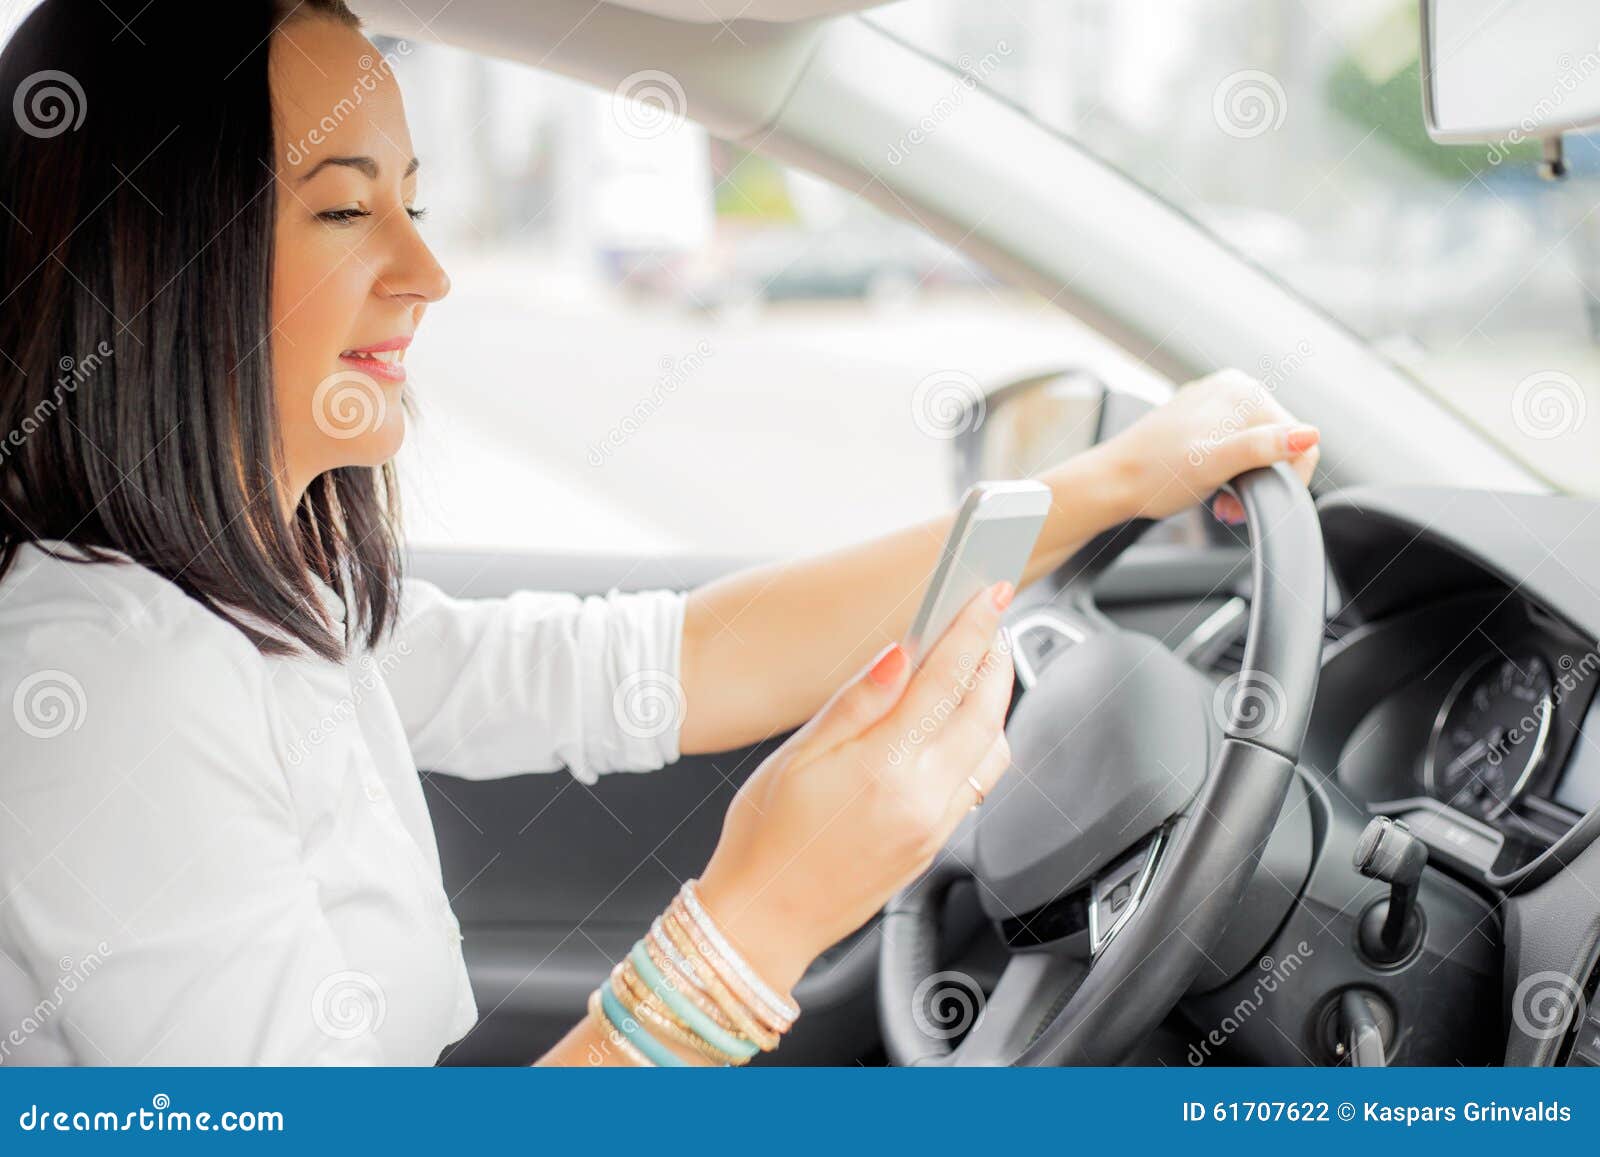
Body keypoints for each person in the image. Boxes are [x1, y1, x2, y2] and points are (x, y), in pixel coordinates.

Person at [0, 0, 1319, 1065]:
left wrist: (1109, 482)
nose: (429, 268)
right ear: (153, 256)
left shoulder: (275, 590)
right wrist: (768, 908)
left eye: (415, 196)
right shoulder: (114, 685)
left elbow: (666, 658)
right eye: (348, 207)